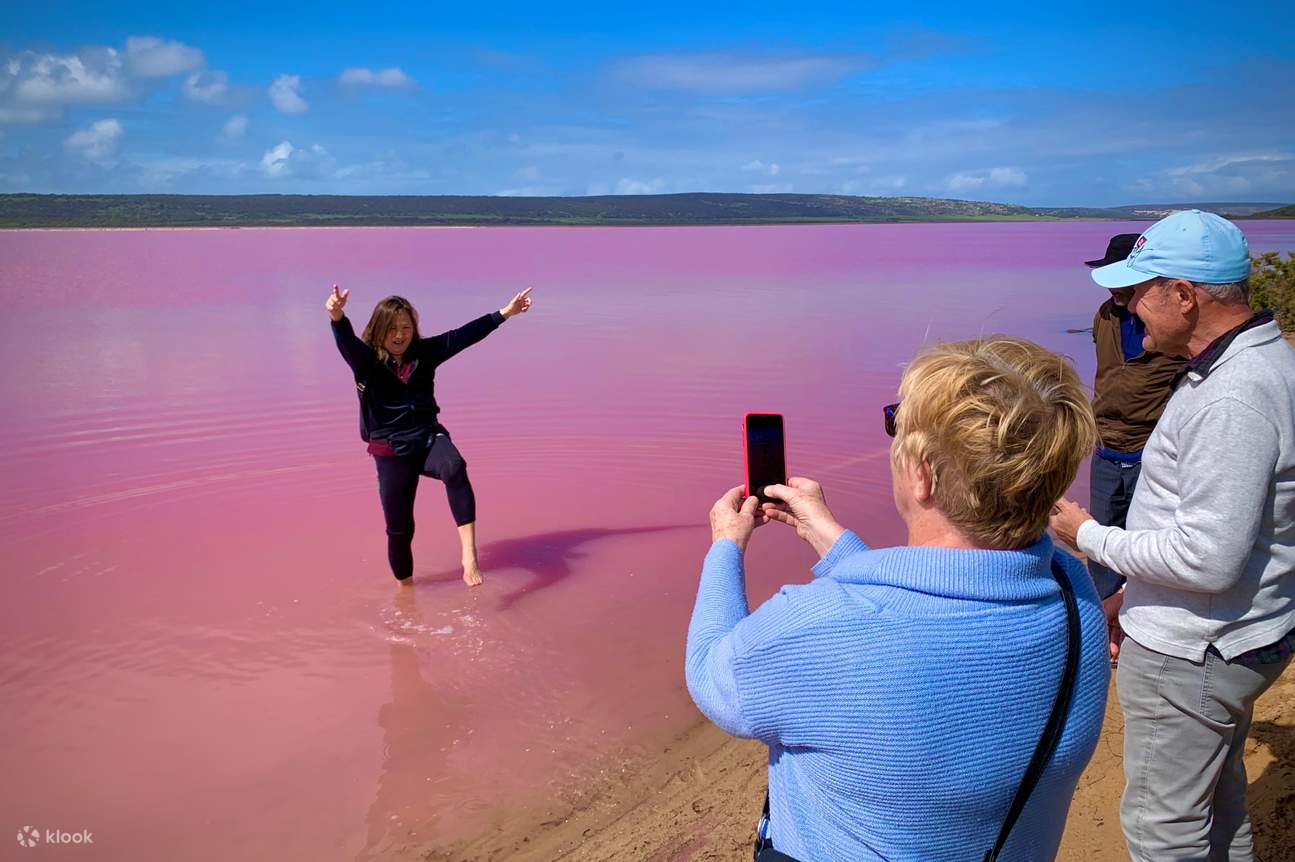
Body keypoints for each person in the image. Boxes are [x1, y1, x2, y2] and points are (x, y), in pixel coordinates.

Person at [687, 337, 1109, 861]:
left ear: (923, 473)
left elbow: (712, 675)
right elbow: (937, 603)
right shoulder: (1073, 591)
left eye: (897, 425)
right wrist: (834, 540)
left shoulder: (819, 623)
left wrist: (725, 546)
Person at [1051, 210, 1295, 862]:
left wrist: (1090, 537)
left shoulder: (1231, 397)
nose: (1128, 308)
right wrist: (1132, 588)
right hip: (1231, 635)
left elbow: (1208, 558)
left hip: (1195, 654)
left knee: (1165, 831)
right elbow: (1212, 525)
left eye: (1138, 291)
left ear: (1183, 296)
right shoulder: (1252, 363)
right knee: (1218, 803)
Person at [327, 284, 534, 587]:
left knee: (454, 466)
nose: (400, 335)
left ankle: (469, 555)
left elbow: (463, 336)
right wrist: (336, 314)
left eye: (406, 327)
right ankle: (406, 591)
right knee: (399, 530)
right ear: (379, 329)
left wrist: (505, 313)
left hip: (426, 438)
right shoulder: (366, 361)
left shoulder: (424, 353)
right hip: (391, 450)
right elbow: (344, 338)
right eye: (393, 328)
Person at [1082, 234, 1181, 658]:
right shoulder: (1104, 316)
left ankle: (1138, 624)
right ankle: (1106, 627)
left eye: (1125, 282)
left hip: (1151, 449)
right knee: (1100, 540)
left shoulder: (1167, 325)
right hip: (1106, 446)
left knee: (1147, 541)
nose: (1115, 291)